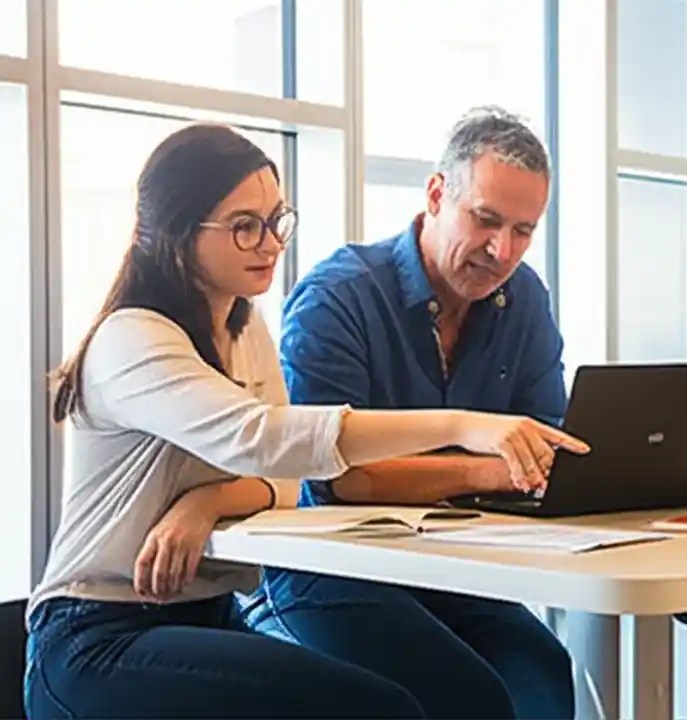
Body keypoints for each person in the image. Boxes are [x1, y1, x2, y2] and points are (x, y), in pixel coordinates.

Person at [24, 122, 587, 720]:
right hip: (98, 631)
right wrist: (461, 425)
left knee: (499, 682)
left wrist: (208, 501)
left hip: (209, 612)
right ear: (176, 233)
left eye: (276, 221)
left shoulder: (244, 328)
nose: (270, 243)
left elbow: (284, 484)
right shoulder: (133, 338)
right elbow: (266, 440)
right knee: (383, 708)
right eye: (245, 226)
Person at [240, 107, 574, 719]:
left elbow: (546, 446)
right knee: (464, 696)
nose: (502, 250)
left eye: (524, 231)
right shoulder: (338, 297)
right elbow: (341, 479)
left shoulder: (524, 298)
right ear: (436, 194)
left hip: (457, 570)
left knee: (543, 674)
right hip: (331, 574)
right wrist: (484, 470)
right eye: (486, 220)